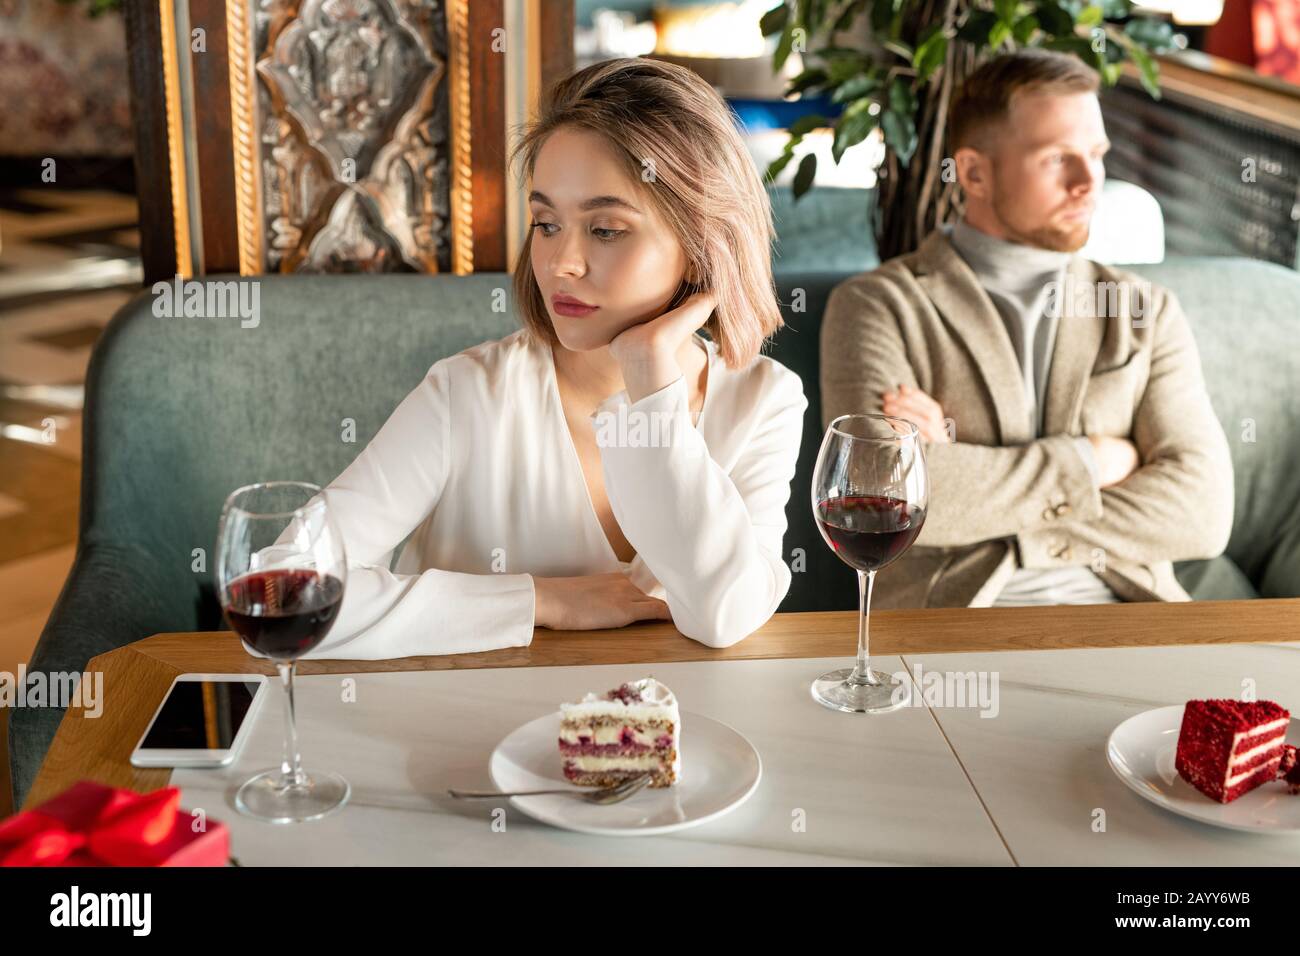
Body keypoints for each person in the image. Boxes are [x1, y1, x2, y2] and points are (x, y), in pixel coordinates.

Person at [284, 57, 807, 658]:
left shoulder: (765, 398)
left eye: (606, 229)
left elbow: (724, 615)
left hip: (668, 746)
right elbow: (287, 589)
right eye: (546, 222)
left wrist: (651, 385)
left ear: (700, 247)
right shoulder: (466, 395)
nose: (562, 263)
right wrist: (539, 601)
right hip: (463, 743)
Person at [820, 49, 1232, 608]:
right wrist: (1094, 461)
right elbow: (877, 498)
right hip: (954, 631)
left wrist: (961, 472)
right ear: (973, 172)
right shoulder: (875, 306)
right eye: (1057, 158)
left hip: (1137, 620)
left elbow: (1203, 513)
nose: (1090, 181)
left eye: (1096, 153)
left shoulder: (1144, 311)